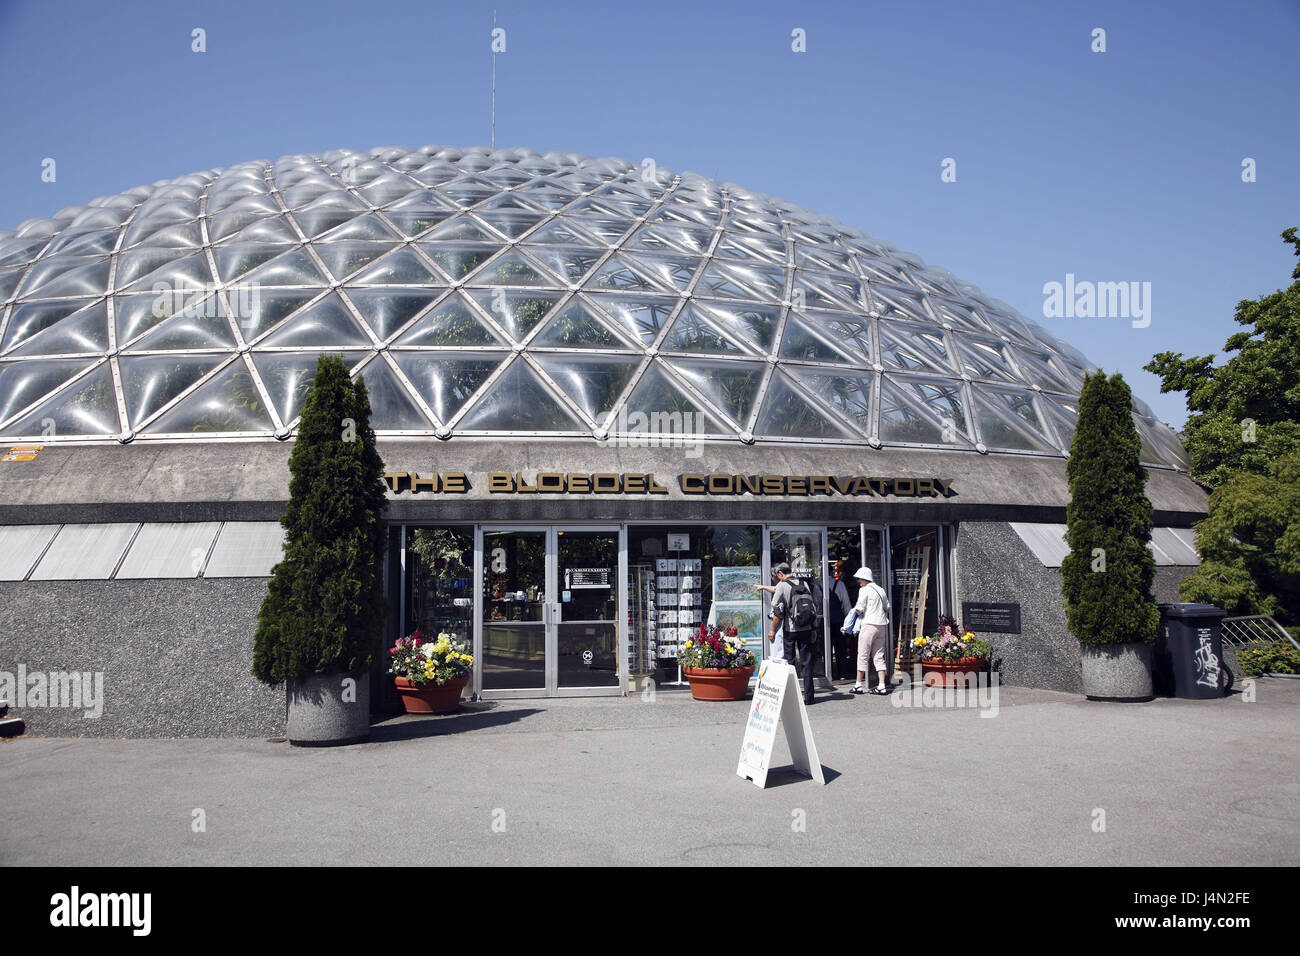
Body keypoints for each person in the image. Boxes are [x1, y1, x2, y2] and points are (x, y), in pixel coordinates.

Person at [762, 562, 817, 705]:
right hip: (806, 628)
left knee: (789, 663)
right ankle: (809, 697)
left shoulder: (781, 585)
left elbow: (775, 607)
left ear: (780, 573)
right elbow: (812, 606)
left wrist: (776, 623)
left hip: (790, 629)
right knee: (807, 662)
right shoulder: (804, 583)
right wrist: (814, 628)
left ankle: (791, 697)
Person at [849, 566, 891, 695]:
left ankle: (858, 685)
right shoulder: (881, 590)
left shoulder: (864, 590)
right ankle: (882, 685)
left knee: (863, 654)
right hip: (881, 625)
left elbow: (859, 608)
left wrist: (854, 613)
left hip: (868, 625)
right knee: (879, 655)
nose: (858, 581)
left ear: (864, 578)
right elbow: (887, 607)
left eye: (859, 579)